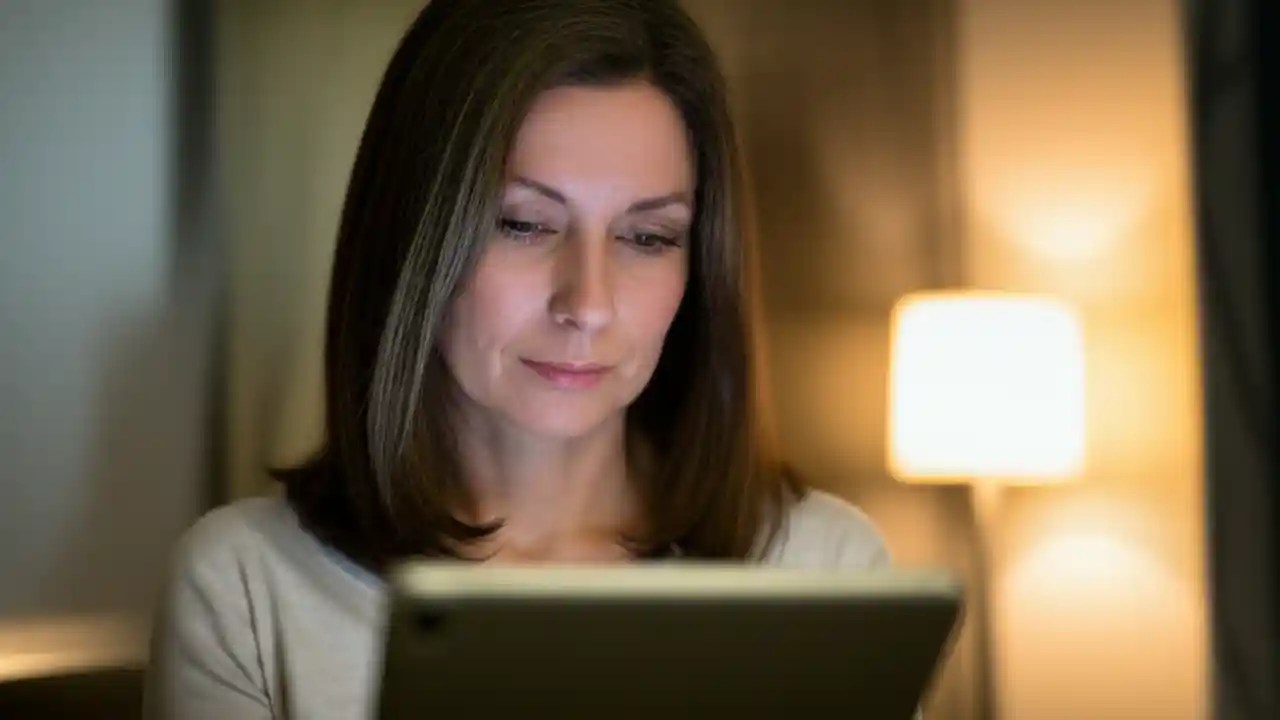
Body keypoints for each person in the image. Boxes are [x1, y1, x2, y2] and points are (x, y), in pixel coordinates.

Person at [144, 1, 890, 717]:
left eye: (648, 238)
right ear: (414, 237)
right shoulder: (245, 586)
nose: (587, 303)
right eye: (524, 224)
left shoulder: (826, 568)